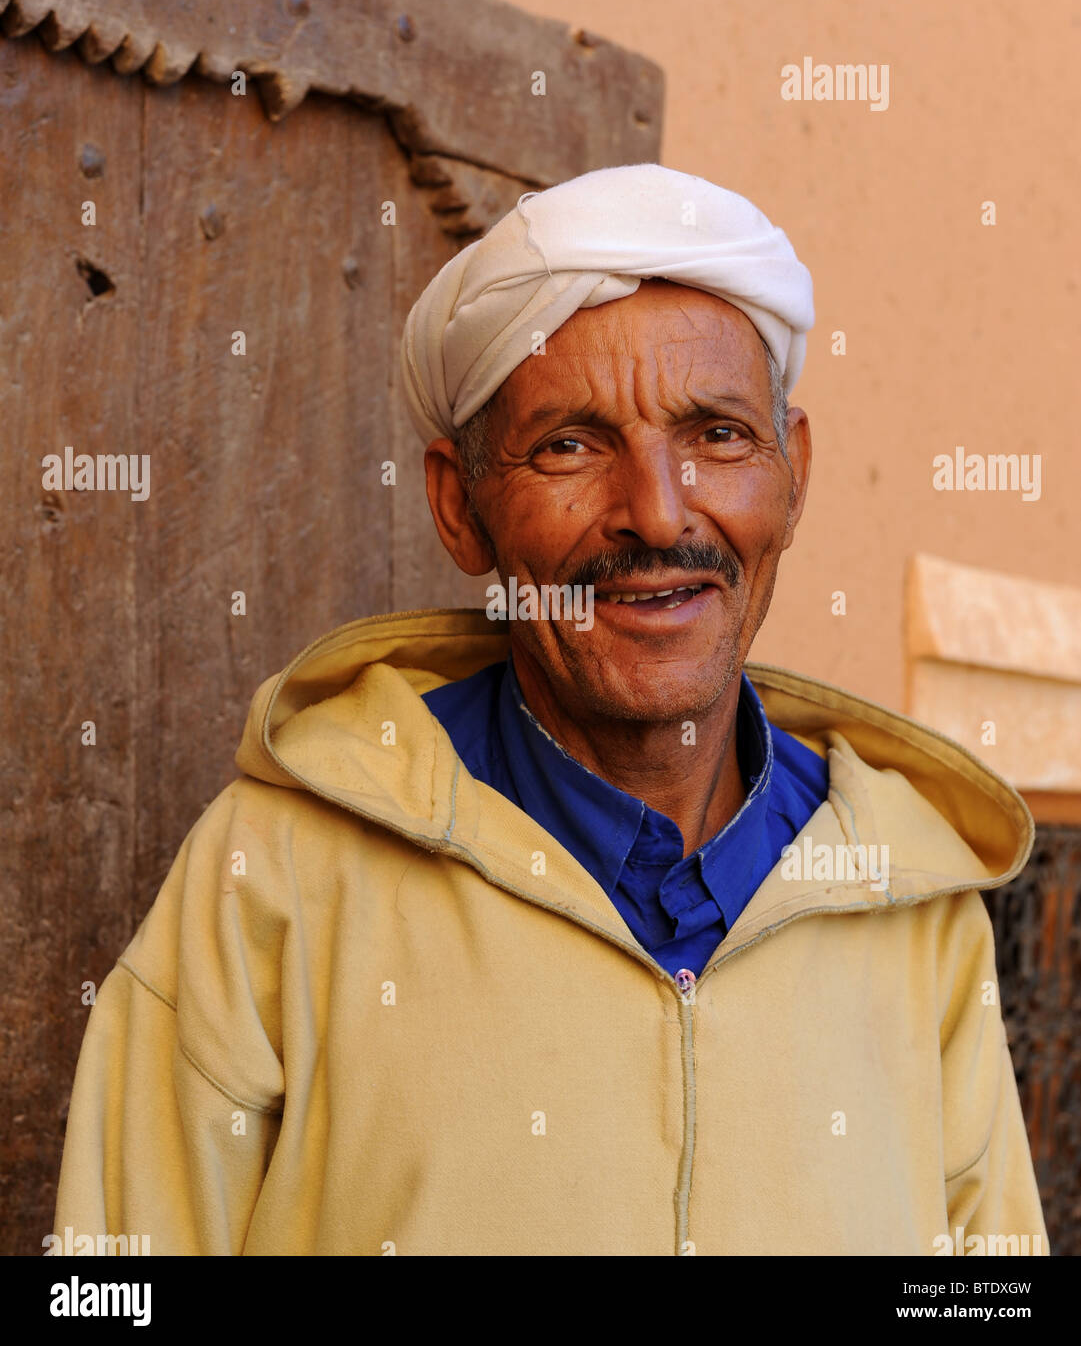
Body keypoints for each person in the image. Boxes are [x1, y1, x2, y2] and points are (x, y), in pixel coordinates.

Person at [52, 164, 1048, 1256]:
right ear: (460, 506)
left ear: (792, 476)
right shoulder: (275, 874)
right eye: (571, 444)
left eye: (716, 434)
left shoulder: (908, 900)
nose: (658, 513)